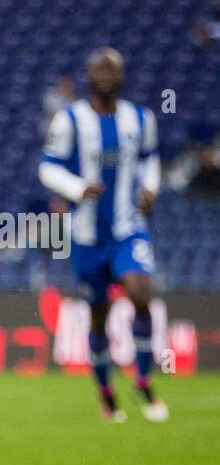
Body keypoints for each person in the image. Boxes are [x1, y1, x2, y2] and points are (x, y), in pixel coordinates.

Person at [40, 47, 166, 423]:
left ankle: (143, 379)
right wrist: (77, 188)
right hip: (86, 236)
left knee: (140, 291)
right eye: (100, 69)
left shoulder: (141, 119)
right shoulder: (69, 120)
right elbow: (48, 168)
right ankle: (106, 392)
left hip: (128, 229)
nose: (107, 74)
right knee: (98, 316)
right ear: (89, 75)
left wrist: (150, 188)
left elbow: (150, 160)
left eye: (114, 68)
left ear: (123, 75)